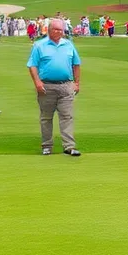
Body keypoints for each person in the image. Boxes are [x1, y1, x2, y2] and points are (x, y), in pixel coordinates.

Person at [27, 18, 81, 156]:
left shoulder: (68, 44)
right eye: (56, 29)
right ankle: (47, 146)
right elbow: (32, 65)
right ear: (49, 30)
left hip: (66, 85)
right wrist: (37, 82)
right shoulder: (39, 45)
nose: (59, 32)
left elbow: (76, 64)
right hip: (47, 86)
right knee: (46, 117)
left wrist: (77, 83)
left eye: (61, 30)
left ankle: (69, 146)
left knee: (67, 116)